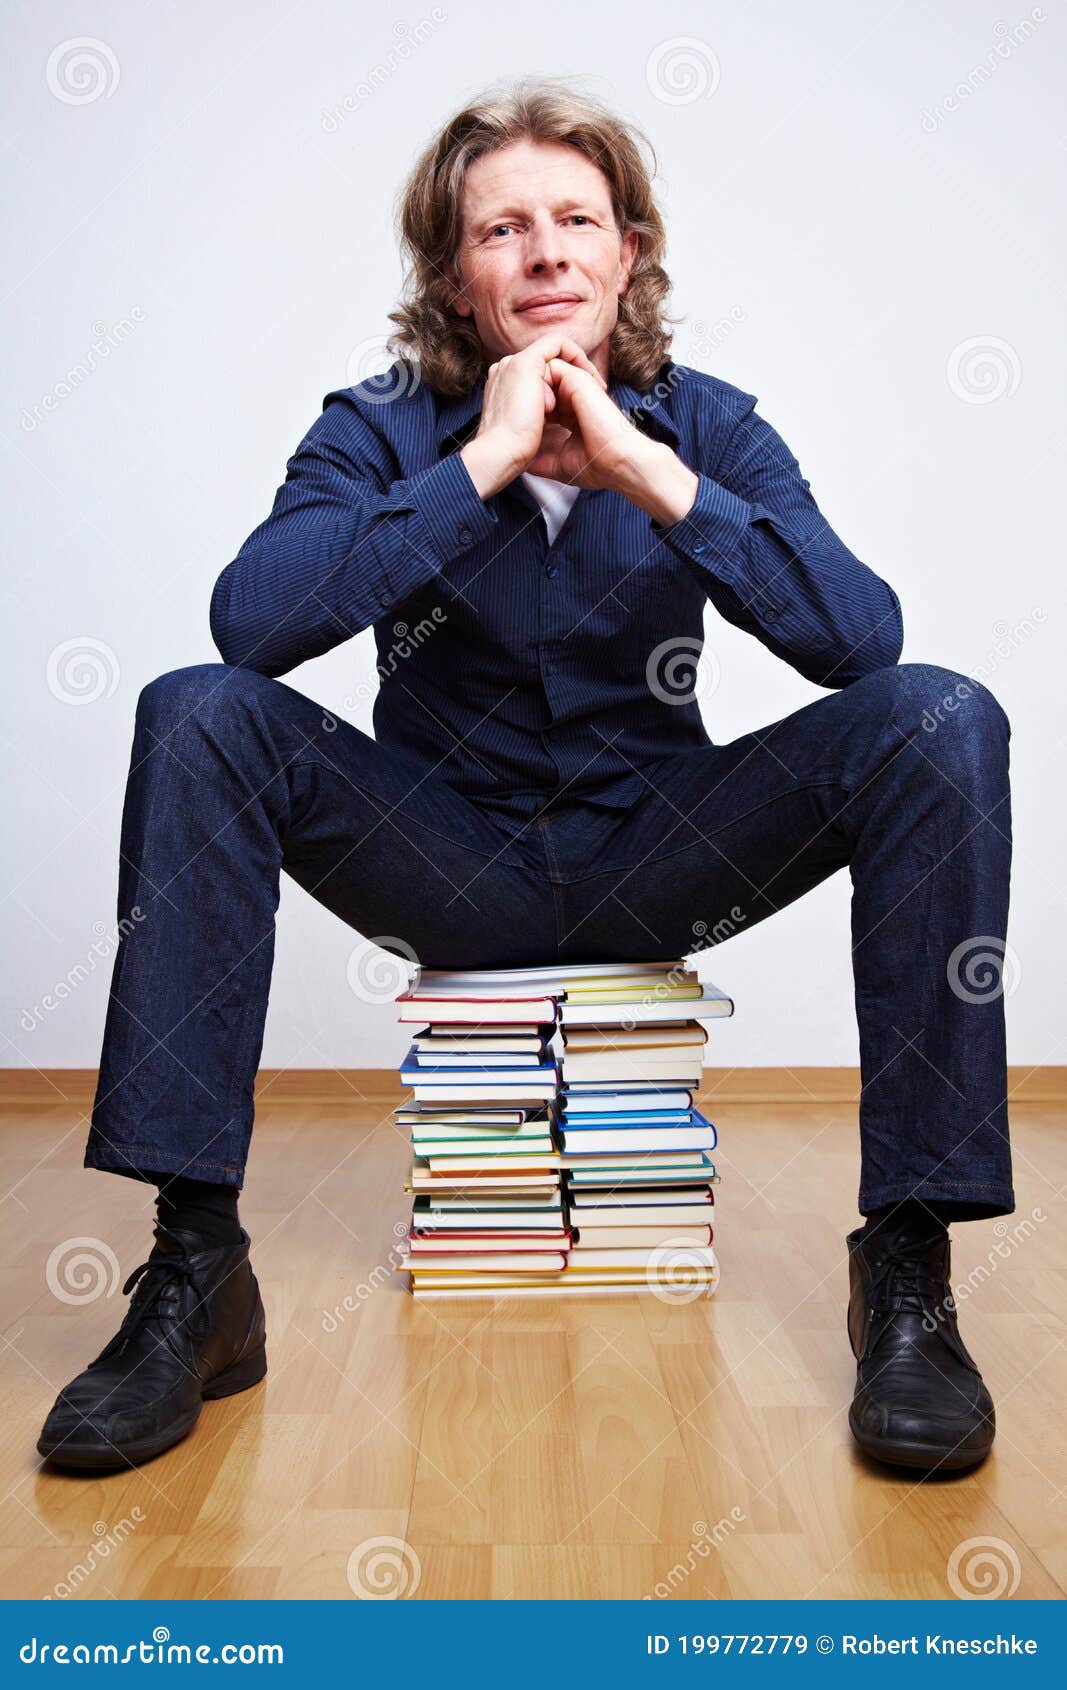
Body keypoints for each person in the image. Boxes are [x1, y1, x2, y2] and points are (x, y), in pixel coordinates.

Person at [37, 78, 1013, 1476]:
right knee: (199, 712)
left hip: (658, 854)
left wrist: (651, 476)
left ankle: (907, 1270)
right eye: (504, 229)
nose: (547, 250)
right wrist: (482, 462)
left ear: (628, 254)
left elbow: (862, 639)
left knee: (938, 719)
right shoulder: (376, 424)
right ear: (454, 274)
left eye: (578, 219)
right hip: (449, 858)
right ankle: (197, 1274)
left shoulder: (711, 424)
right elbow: (250, 625)